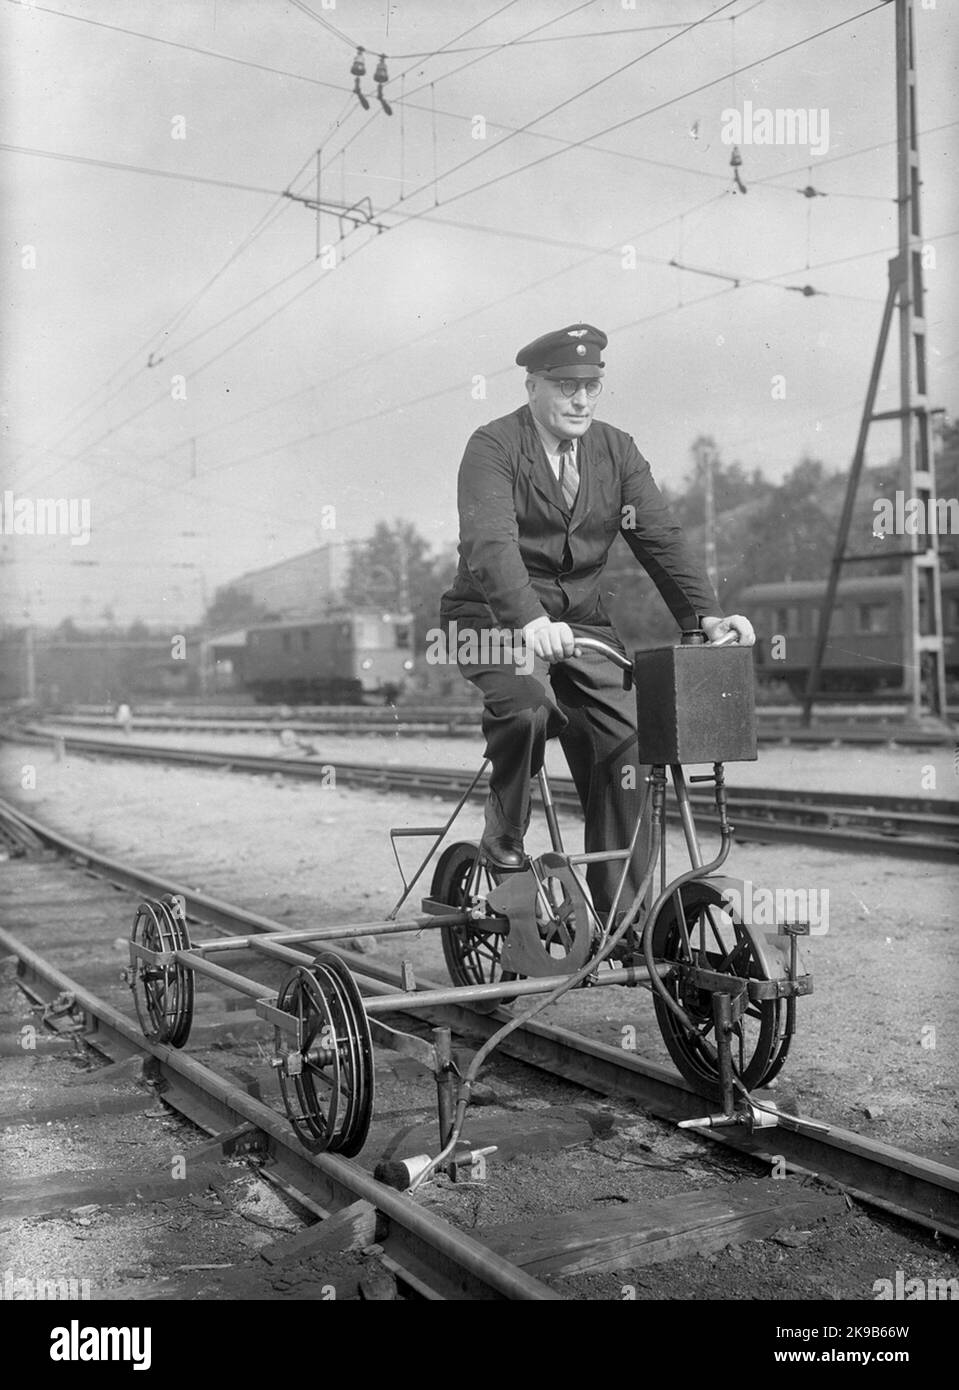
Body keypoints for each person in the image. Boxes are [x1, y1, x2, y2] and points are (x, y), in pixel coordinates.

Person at [440, 323, 754, 922]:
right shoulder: (493, 447)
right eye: (566, 386)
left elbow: (658, 538)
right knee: (528, 707)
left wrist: (708, 618)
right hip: (490, 618)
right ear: (532, 387)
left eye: (592, 385)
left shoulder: (616, 450)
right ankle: (504, 835)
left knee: (631, 743)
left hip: (583, 629)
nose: (581, 399)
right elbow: (489, 543)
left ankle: (623, 914)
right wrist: (528, 619)